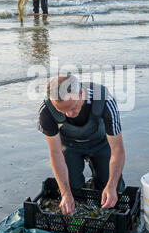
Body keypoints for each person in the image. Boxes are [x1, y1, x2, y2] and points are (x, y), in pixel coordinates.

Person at [38, 74, 126, 215]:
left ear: (81, 93)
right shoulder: (46, 110)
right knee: (71, 193)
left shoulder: (105, 101)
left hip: (101, 143)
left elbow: (117, 150)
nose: (69, 114)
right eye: (62, 111)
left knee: (112, 191)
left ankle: (100, 182)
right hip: (69, 146)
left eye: (73, 107)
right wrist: (66, 192)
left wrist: (112, 185)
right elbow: (55, 153)